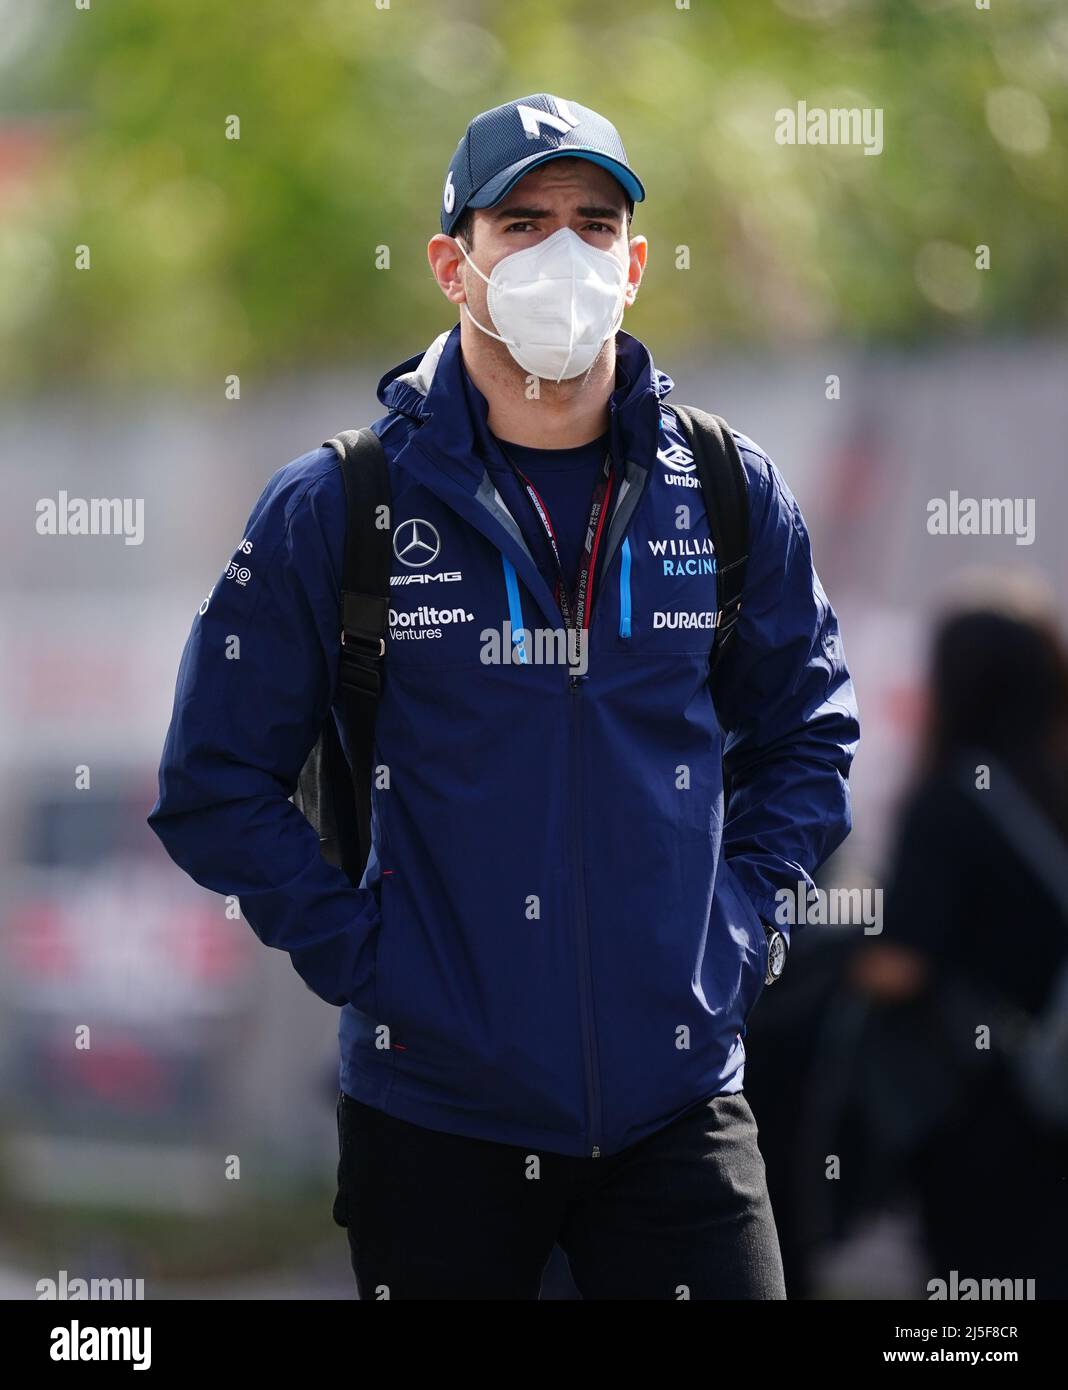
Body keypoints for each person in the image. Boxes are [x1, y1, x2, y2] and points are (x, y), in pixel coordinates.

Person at [148, 93, 859, 1300]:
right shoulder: (340, 503)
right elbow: (212, 784)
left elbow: (807, 737)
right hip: (437, 1117)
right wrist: (374, 962)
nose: (562, 254)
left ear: (634, 264)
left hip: (679, 1105)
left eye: (593, 223)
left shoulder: (727, 488)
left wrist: (738, 931)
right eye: (521, 224)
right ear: (452, 265)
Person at [852, 578, 1068, 1298]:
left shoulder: (950, 802)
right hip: (1053, 1105)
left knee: (976, 1306)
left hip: (985, 1111)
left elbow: (901, 968)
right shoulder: (1052, 790)